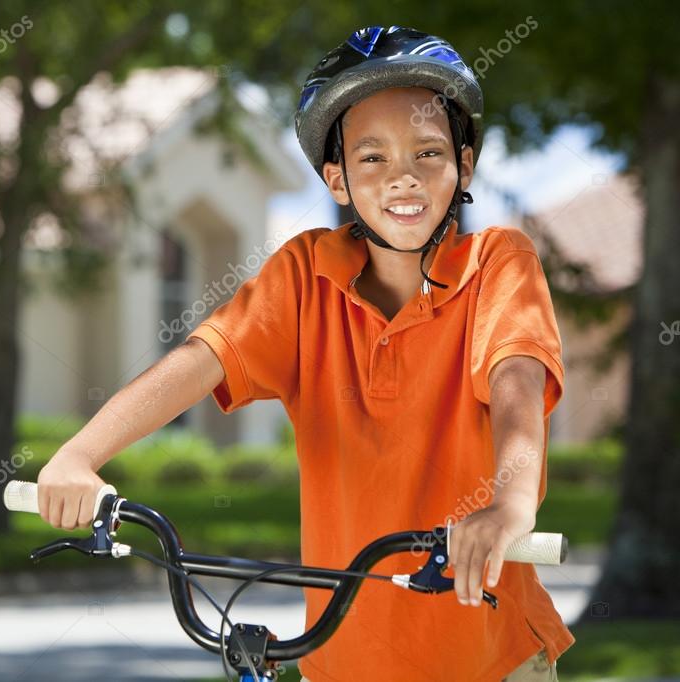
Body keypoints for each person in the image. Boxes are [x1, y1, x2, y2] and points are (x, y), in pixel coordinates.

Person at [37, 25, 573, 681]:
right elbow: (200, 362)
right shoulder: (302, 277)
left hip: (489, 658)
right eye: (371, 157)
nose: (401, 175)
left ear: (463, 167)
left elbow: (517, 383)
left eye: (428, 152)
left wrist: (510, 505)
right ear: (336, 177)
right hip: (337, 660)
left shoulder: (497, 264)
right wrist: (80, 454)